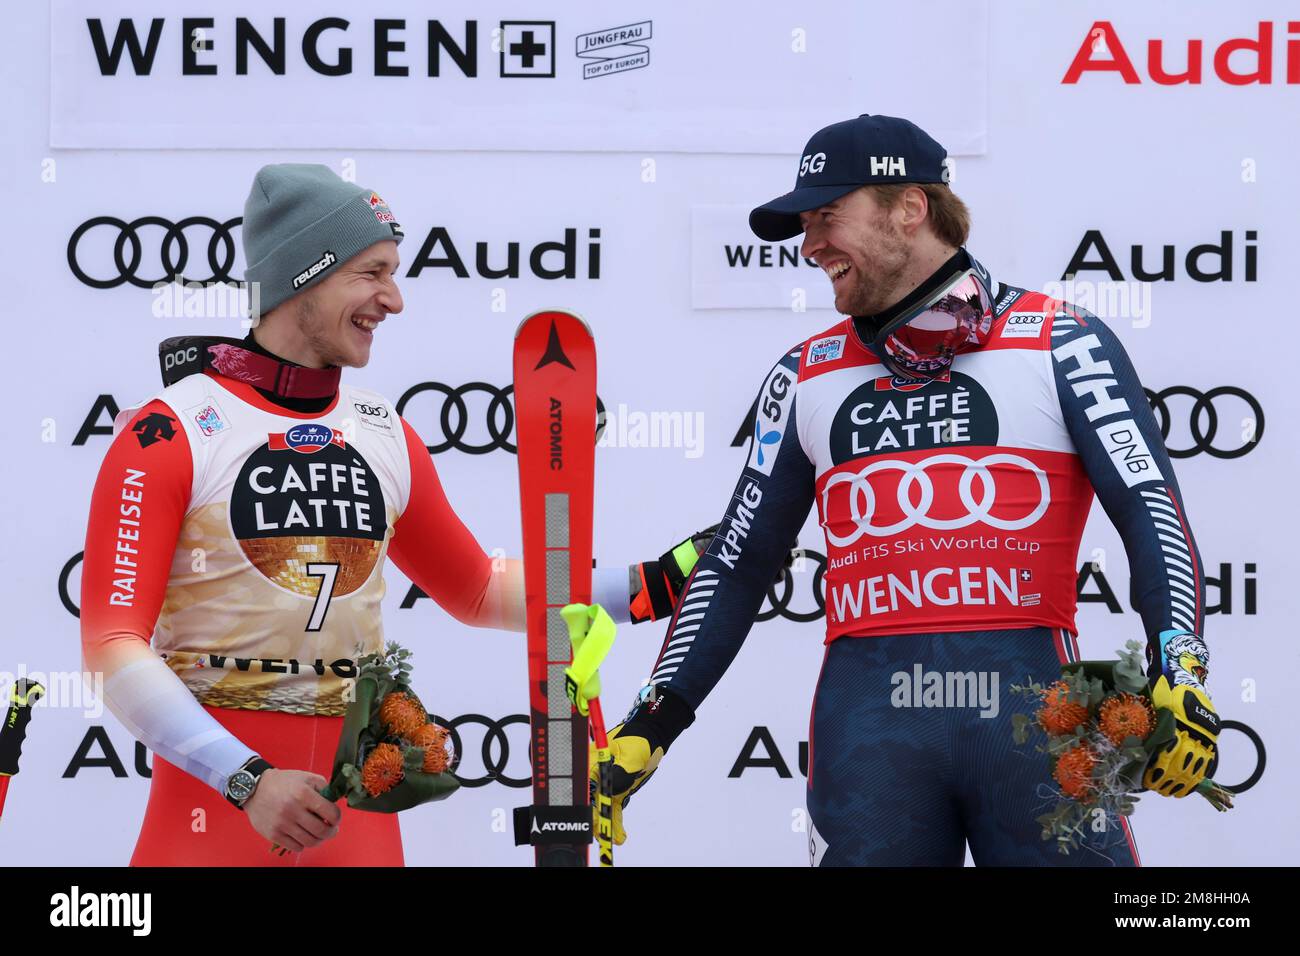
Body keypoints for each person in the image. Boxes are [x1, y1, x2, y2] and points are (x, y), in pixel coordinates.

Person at [597, 115, 1220, 866]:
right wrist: (652, 720)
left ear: (910, 208)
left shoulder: (1063, 341)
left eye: (828, 215)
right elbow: (739, 560)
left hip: (1033, 724)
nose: (810, 244)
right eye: (804, 223)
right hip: (872, 738)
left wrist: (1178, 667)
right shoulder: (804, 374)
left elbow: (1150, 510)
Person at [79, 164, 700, 866]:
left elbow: (477, 590)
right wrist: (248, 781)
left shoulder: (382, 431)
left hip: (356, 825)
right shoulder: (172, 431)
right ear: (304, 276)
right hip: (212, 819)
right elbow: (110, 648)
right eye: (371, 273)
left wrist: (658, 582)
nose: (394, 300)